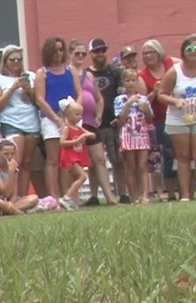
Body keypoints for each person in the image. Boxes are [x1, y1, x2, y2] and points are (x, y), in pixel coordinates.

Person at [158, 34, 196, 201]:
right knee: (183, 156)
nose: (193, 52)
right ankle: (185, 195)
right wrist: (175, 101)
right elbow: (161, 94)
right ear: (183, 52)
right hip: (179, 119)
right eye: (189, 49)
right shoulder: (174, 71)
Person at [0, 44, 39, 203]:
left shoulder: (30, 76)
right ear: (5, 61)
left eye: (19, 58)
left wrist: (29, 90)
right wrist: (13, 88)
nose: (16, 62)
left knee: (27, 163)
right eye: (12, 59)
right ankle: (11, 198)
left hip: (31, 121)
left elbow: (39, 101)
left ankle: (22, 198)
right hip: (11, 122)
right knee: (14, 162)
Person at [68, 39, 115, 205]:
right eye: (77, 53)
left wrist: (99, 115)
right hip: (74, 124)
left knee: (99, 159)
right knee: (74, 162)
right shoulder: (67, 72)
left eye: (83, 54)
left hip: (91, 123)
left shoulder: (88, 75)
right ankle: (72, 198)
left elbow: (99, 99)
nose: (81, 56)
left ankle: (109, 197)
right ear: (70, 54)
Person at [34, 36, 81, 200]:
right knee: (53, 159)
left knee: (68, 160)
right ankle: (53, 197)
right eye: (55, 50)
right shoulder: (43, 73)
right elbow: (40, 98)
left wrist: (75, 112)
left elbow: (79, 93)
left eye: (61, 50)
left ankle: (67, 195)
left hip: (71, 118)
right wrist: (56, 119)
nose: (58, 54)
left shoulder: (71, 71)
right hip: (51, 119)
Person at [89, 38, 130, 204]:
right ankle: (93, 196)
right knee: (93, 162)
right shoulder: (87, 75)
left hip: (113, 124)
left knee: (118, 160)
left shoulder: (115, 72)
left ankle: (123, 193)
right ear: (91, 53)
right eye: (97, 51)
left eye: (103, 51)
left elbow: (122, 94)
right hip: (94, 125)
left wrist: (120, 118)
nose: (100, 54)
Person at [140, 39, 176, 200]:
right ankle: (165, 190)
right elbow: (142, 102)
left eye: (151, 52)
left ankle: (183, 188)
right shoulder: (143, 75)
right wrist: (154, 93)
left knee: (178, 153)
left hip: (178, 115)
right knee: (163, 154)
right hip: (158, 120)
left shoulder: (171, 63)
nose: (148, 56)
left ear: (159, 52)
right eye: (145, 53)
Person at [114, 70, 154, 204]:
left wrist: (146, 109)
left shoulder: (143, 98)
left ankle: (145, 195)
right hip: (127, 133)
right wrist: (128, 103)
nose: (131, 83)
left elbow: (149, 119)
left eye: (133, 80)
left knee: (143, 165)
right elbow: (120, 121)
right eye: (128, 81)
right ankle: (134, 196)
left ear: (137, 82)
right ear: (123, 82)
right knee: (130, 166)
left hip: (141, 132)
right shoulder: (119, 99)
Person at [0, 139, 39, 214]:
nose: (9, 157)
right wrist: (10, 172)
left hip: (6, 201)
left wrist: (10, 202)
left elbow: (14, 194)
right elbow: (5, 193)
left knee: (34, 198)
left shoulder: (14, 169)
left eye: (12, 154)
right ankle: (17, 212)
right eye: (6, 154)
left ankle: (7, 211)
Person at [58, 100, 93, 209]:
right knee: (82, 176)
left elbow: (92, 135)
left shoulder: (79, 128)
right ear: (68, 115)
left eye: (80, 115)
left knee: (75, 179)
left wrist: (87, 134)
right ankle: (67, 197)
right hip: (70, 157)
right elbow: (62, 142)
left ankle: (75, 202)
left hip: (78, 155)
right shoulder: (67, 128)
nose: (79, 117)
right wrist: (77, 141)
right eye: (77, 114)